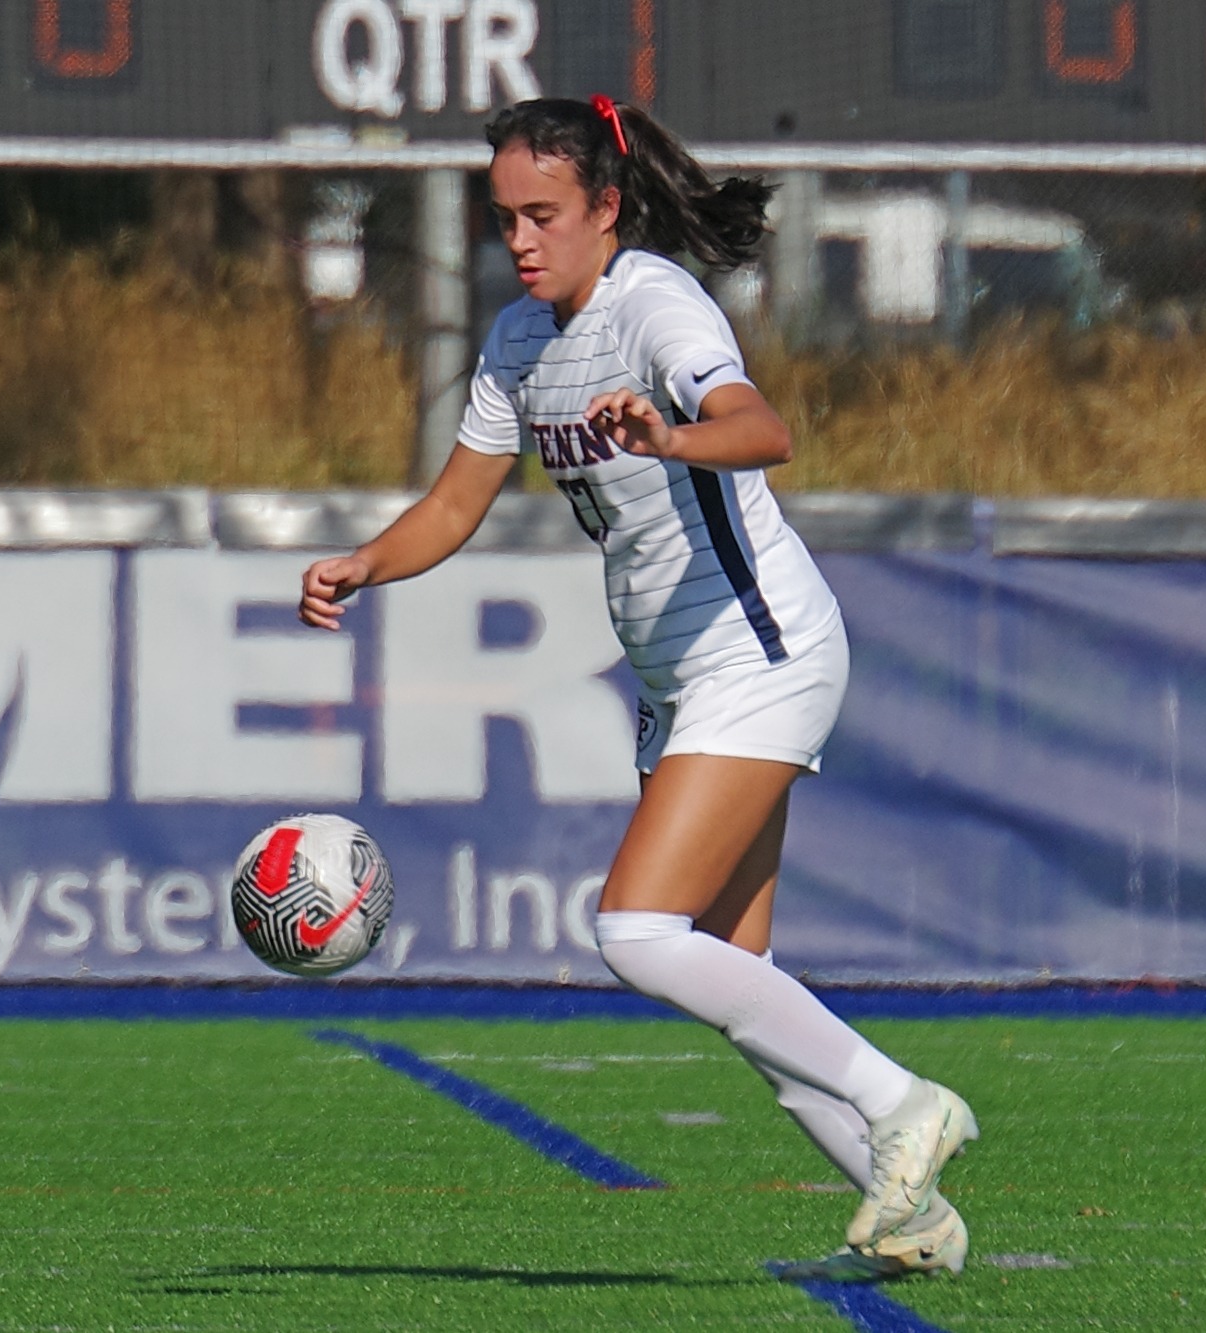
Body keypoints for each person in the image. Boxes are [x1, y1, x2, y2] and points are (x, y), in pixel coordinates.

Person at [299, 95, 976, 1280]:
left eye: (543, 214)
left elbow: (760, 430)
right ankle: (912, 1219)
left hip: (759, 652)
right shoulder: (519, 338)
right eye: (505, 217)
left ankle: (905, 1102)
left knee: (633, 929)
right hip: (684, 675)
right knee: (737, 979)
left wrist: (670, 435)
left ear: (606, 207)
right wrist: (366, 562)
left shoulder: (652, 304)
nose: (521, 239)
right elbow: (455, 504)